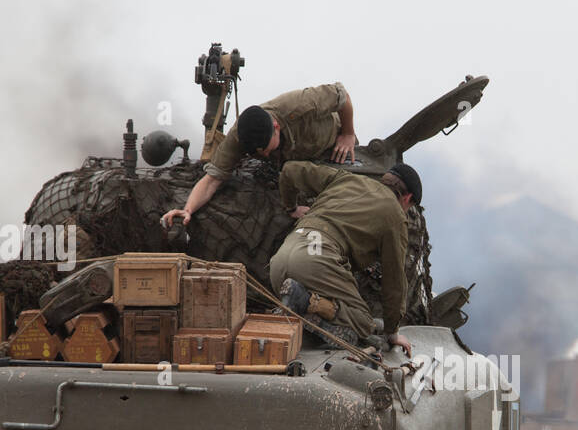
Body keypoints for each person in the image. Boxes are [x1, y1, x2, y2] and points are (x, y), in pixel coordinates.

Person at [269, 161, 421, 352]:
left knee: (336, 302)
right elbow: (395, 281)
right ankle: (304, 301)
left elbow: (289, 170)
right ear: (408, 198)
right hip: (316, 261)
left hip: (279, 263)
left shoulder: (345, 178)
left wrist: (291, 208)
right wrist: (392, 332)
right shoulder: (396, 215)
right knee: (363, 322)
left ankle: (303, 302)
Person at [162, 83, 357, 228]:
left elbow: (342, 95)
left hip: (332, 144)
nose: (263, 154)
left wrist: (348, 133)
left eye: (265, 148)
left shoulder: (299, 105)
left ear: (276, 127)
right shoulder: (239, 136)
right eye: (258, 153)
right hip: (295, 163)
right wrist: (187, 210)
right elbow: (213, 179)